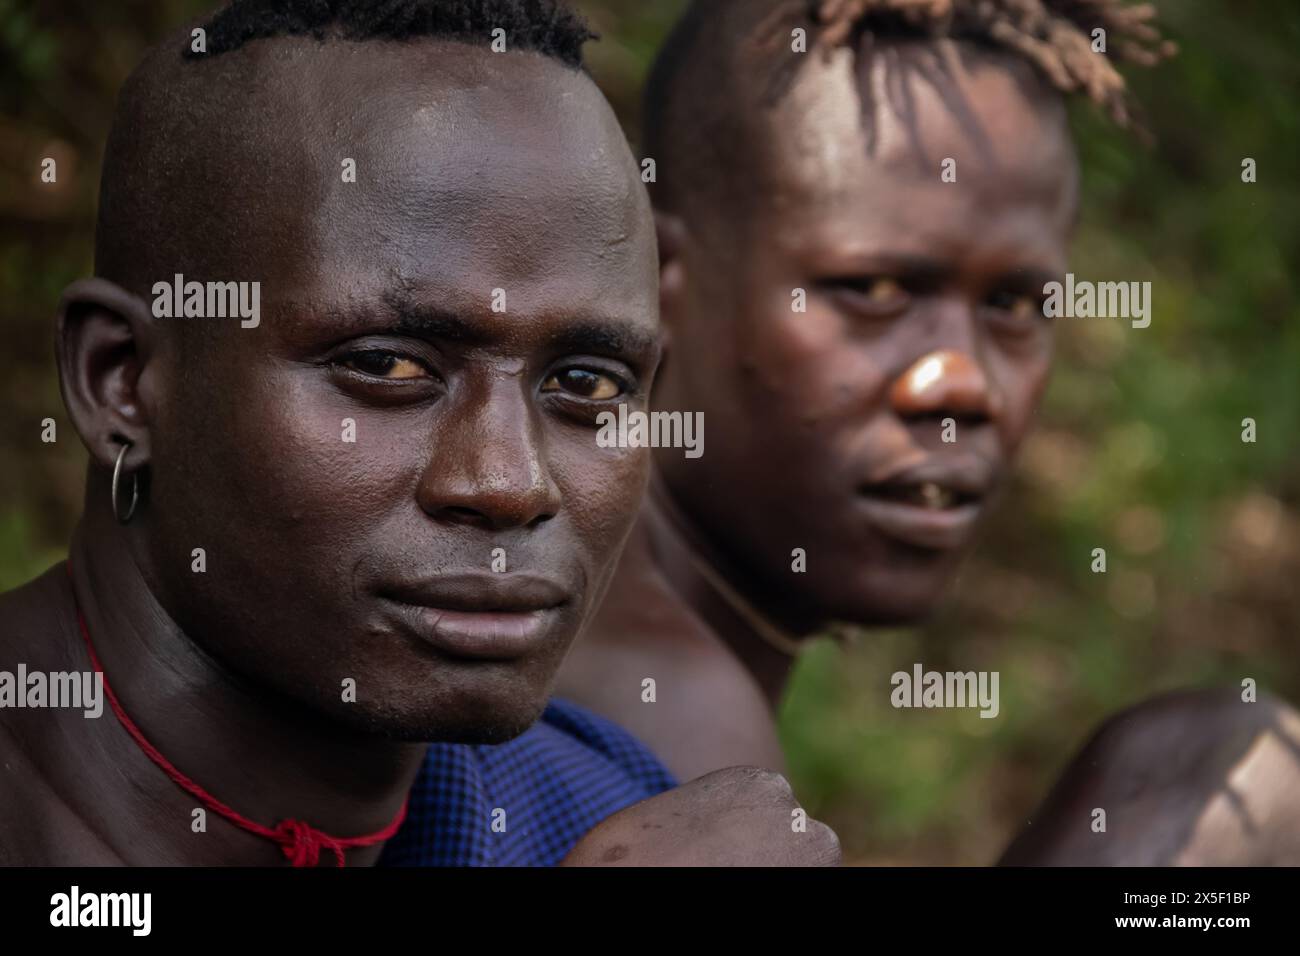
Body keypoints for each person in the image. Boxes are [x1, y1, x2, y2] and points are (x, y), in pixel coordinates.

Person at [0, 0, 838, 868]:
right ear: (122, 381)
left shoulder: (591, 812)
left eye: (585, 384)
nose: (511, 483)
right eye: (390, 369)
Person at [558, 0, 1175, 784]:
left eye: (1015, 306)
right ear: (651, 283)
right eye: (875, 289)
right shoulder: (658, 713)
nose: (961, 383)